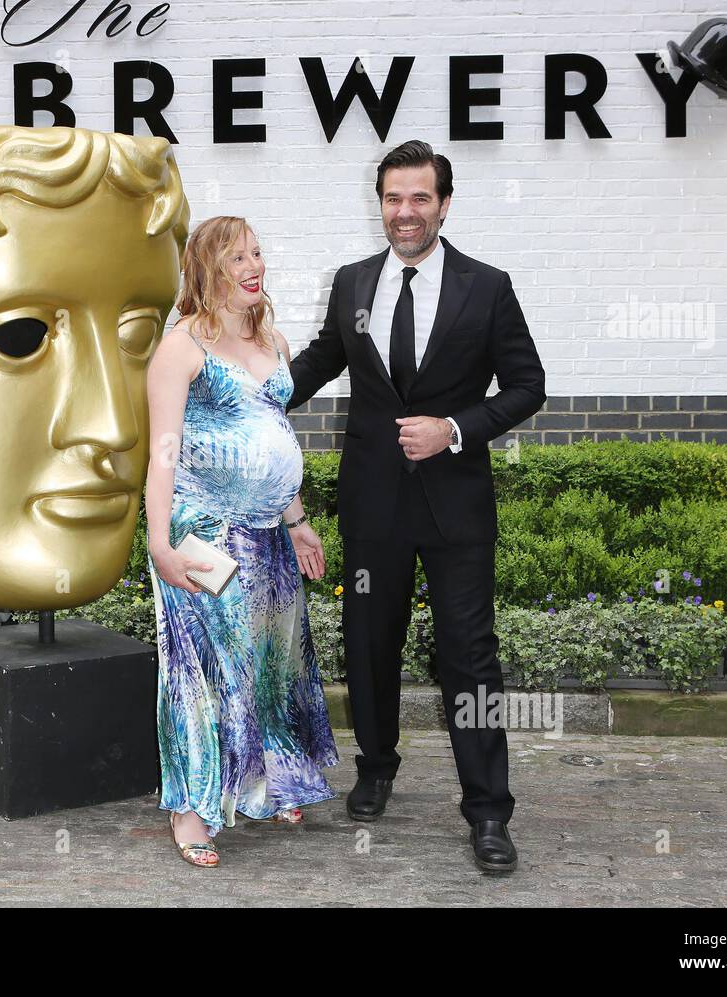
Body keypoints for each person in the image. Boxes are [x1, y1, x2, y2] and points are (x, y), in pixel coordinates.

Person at [286, 141, 547, 873]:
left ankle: (489, 811)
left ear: (444, 204)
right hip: (375, 500)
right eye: (393, 198)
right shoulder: (352, 284)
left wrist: (455, 429)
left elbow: (529, 386)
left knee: (471, 656)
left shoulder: (486, 287)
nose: (405, 212)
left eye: (419, 199)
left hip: (457, 504)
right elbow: (320, 360)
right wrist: (253, 387)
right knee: (371, 642)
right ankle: (376, 767)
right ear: (381, 204)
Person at [145, 215, 338, 868]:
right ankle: (191, 811)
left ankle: (267, 781)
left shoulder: (271, 338)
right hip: (201, 530)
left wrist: (298, 519)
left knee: (270, 660)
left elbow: (271, 435)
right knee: (207, 667)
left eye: (258, 252)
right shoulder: (182, 348)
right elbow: (163, 452)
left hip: (266, 532)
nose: (255, 265)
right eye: (238, 257)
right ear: (208, 270)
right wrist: (160, 541)